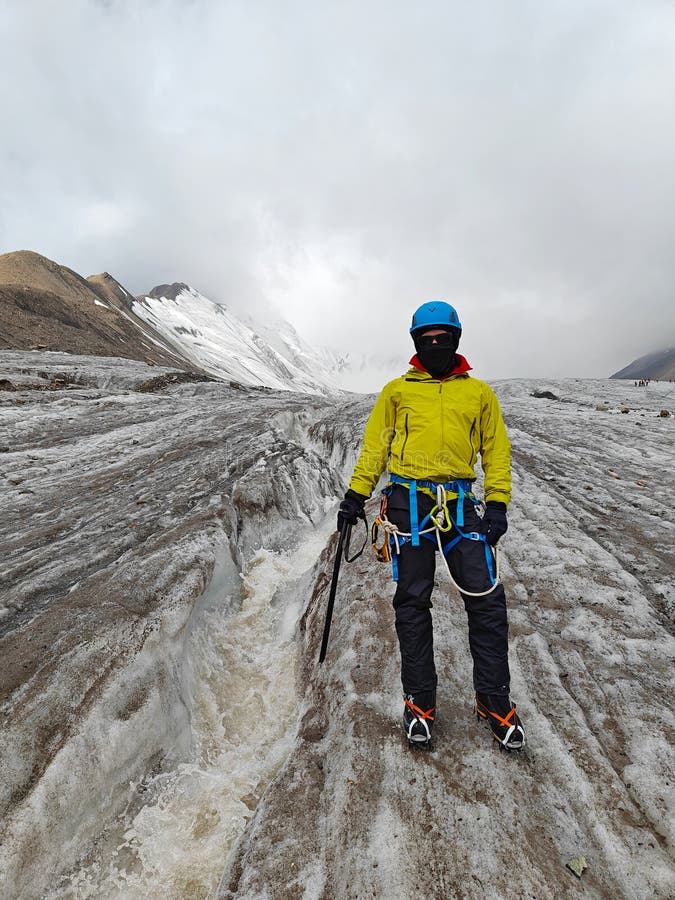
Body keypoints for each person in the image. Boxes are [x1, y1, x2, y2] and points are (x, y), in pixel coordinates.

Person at [337, 301, 525, 751]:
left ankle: (493, 698)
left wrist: (496, 503)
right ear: (417, 342)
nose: (435, 344)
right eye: (428, 338)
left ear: (456, 340)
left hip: (460, 506)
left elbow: (496, 450)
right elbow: (375, 449)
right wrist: (355, 495)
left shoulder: (478, 394)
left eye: (443, 338)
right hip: (407, 506)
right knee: (412, 604)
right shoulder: (397, 392)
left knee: (486, 602)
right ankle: (420, 699)